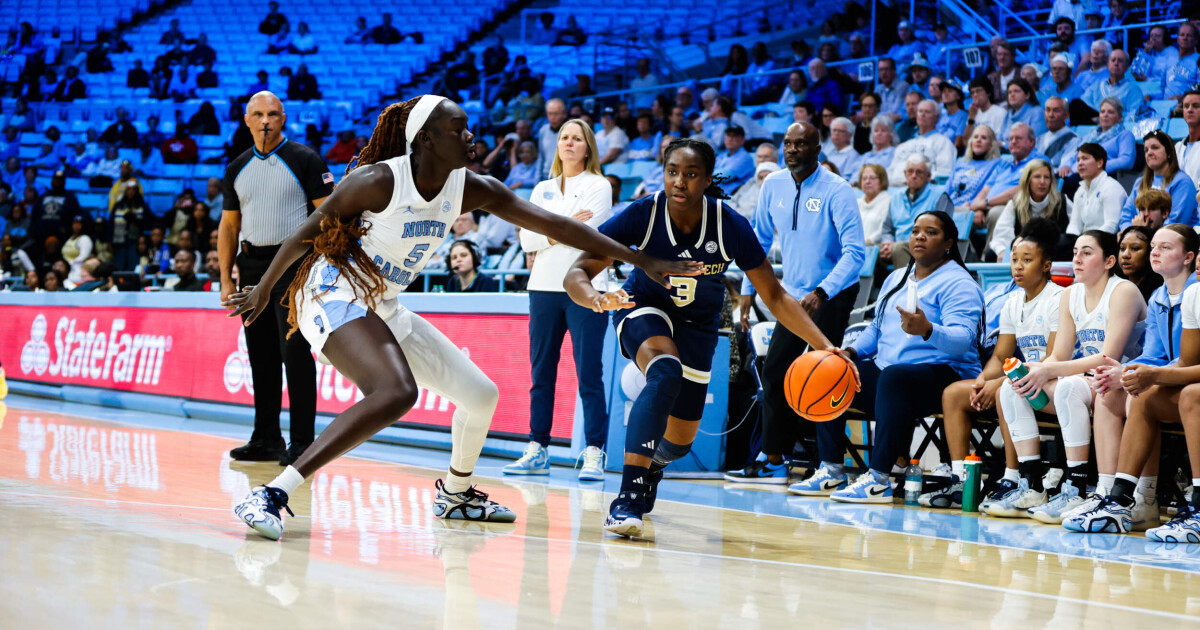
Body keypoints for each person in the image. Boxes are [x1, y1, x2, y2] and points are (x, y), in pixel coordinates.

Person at [227, 95, 695, 539]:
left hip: (382, 302)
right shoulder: (378, 180)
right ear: (427, 139)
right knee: (396, 391)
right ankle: (270, 494)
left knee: (480, 395)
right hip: (332, 291)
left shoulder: (470, 186)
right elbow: (305, 234)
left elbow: (556, 225)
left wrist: (640, 259)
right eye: (458, 129)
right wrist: (264, 289)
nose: (471, 135)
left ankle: (456, 494)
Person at [564, 137, 841, 535]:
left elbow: (776, 296)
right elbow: (576, 272)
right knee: (664, 371)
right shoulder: (643, 213)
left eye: (691, 174)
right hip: (644, 308)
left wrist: (824, 346)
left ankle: (654, 465)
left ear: (708, 179)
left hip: (698, 327)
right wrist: (595, 298)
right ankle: (627, 498)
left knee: (680, 442)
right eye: (672, 172)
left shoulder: (730, 225)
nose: (680, 182)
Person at [797, 211, 983, 502]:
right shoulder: (897, 277)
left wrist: (927, 329)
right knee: (831, 372)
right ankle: (831, 470)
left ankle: (879, 480)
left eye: (931, 232)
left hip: (947, 375)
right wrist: (849, 353)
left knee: (894, 377)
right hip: (895, 375)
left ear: (949, 243)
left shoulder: (960, 283)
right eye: (916, 231)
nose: (920, 237)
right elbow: (876, 327)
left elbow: (963, 340)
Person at [724, 123, 866, 486]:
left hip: (833, 292)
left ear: (817, 149)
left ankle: (830, 466)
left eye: (801, 144)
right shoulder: (772, 185)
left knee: (827, 373)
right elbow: (757, 243)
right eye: (787, 143)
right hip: (791, 295)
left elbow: (855, 253)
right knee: (774, 372)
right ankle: (774, 460)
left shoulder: (837, 189)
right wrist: (749, 290)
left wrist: (822, 291)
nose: (791, 149)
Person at [987, 230, 1147, 522]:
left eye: (1087, 253)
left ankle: (1076, 488)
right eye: (1075, 253)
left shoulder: (1122, 291)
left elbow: (1107, 357)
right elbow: (1058, 355)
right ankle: (1031, 484)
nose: (1077, 259)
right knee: (1013, 388)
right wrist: (1036, 371)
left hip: (1124, 381)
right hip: (1091, 381)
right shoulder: (1071, 294)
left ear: (1109, 261)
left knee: (1069, 387)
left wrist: (1048, 370)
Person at [218, 92, 330, 467]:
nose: (265, 120)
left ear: (283, 118)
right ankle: (266, 438)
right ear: (246, 120)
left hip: (294, 266)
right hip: (251, 266)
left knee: (294, 352)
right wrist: (226, 279)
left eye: (272, 114)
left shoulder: (305, 159)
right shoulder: (237, 167)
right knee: (260, 355)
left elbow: (329, 217)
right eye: (258, 114)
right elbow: (229, 226)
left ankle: (302, 442)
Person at [1066, 228, 1200, 539]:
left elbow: (1182, 363)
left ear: (1188, 257)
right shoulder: (1161, 297)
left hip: (1186, 384)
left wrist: (1146, 375)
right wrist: (1128, 372)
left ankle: (1188, 504)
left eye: (1165, 247)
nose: (1155, 252)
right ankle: (1121, 498)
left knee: (1178, 394)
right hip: (1179, 378)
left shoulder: (1191, 293)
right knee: (1127, 394)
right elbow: (1160, 356)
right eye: (1154, 246)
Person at [923, 220, 1062, 509]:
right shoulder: (1013, 302)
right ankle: (962, 480)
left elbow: (1052, 360)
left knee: (1005, 391)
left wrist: (998, 383)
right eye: (1014, 260)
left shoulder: (1058, 299)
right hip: (1021, 379)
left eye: (1027, 260)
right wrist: (983, 380)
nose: (1018, 267)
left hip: (1051, 381)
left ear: (1046, 265)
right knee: (954, 394)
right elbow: (1000, 357)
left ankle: (1013, 477)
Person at [506, 118, 615, 480]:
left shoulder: (599, 185)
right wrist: (562, 228)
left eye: (576, 138)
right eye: (564, 137)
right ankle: (538, 448)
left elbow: (588, 235)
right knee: (541, 374)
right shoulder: (541, 189)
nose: (569, 142)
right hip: (543, 288)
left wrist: (549, 229)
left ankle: (594, 451)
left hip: (587, 288)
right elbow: (526, 240)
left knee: (589, 375)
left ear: (587, 147)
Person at [880, 154, 953, 269]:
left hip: (925, 249)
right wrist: (888, 244)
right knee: (867, 250)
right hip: (897, 247)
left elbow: (941, 231)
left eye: (919, 172)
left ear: (928, 176)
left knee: (899, 248)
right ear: (905, 174)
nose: (914, 176)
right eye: (910, 171)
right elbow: (887, 229)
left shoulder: (940, 196)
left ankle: (907, 281)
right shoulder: (896, 197)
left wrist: (897, 246)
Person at [1119, 130, 1199, 230]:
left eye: (1155, 148)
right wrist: (1129, 232)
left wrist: (1141, 231)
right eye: (1146, 150)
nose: (1149, 153)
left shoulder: (1182, 182)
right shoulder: (1140, 183)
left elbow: (1175, 225)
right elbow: (1125, 217)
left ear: (1169, 153)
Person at [1058, 97, 1136, 178]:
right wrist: (1066, 166)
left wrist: (1096, 167)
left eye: (1110, 112)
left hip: (1098, 177)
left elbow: (1126, 161)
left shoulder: (1124, 135)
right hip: (1074, 173)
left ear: (1120, 117)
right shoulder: (1091, 136)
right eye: (1102, 112)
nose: (1105, 115)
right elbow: (1074, 155)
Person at [1067, 143, 1128, 236]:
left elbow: (1111, 226)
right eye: (1078, 160)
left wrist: (1088, 240)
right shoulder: (1080, 191)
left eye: (1085, 158)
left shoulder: (1111, 187)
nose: (1080, 163)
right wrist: (1070, 238)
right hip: (1086, 239)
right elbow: (1074, 225)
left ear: (1100, 163)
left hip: (1106, 240)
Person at [889, 99, 956, 183]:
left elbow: (944, 174)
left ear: (937, 117)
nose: (923, 115)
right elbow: (890, 173)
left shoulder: (943, 143)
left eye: (927, 112)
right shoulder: (905, 145)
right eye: (920, 111)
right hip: (897, 187)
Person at [1072, 50, 1142, 124]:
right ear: (1108, 65)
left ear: (1127, 67)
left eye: (1120, 61)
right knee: (1075, 104)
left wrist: (1112, 117)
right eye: (1113, 60)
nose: (1116, 63)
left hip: (1117, 125)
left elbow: (1134, 116)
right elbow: (1083, 104)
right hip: (1094, 123)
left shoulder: (1133, 90)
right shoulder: (1096, 86)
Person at [948, 125, 1003, 214]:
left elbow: (990, 191)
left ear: (991, 145)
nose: (978, 140)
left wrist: (974, 205)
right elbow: (947, 190)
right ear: (971, 142)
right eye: (975, 137)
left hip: (970, 209)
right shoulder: (961, 161)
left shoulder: (996, 164)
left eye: (984, 138)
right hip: (950, 207)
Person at [1119, 225, 1164, 303]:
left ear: (1151, 252)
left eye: (1135, 248)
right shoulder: (1113, 286)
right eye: (1122, 248)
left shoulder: (1159, 293)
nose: (1125, 255)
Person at [961, 78, 1007, 153]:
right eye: (972, 92)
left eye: (978, 91)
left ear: (988, 93)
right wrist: (971, 117)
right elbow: (966, 141)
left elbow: (999, 140)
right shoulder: (973, 113)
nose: (975, 95)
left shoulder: (1000, 112)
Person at [849, 116, 898, 184]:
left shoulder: (895, 154)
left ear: (891, 135)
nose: (879, 134)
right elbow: (853, 176)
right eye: (876, 131)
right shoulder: (865, 156)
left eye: (883, 130)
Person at [1037, 97, 1079, 171]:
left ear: (1066, 116)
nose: (1050, 115)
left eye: (1056, 111)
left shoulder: (1073, 140)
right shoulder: (1039, 139)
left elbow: (1063, 170)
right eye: (1048, 110)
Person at [856, 164, 891, 246]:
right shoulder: (857, 202)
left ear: (881, 181)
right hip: (857, 246)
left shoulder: (888, 201)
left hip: (876, 247)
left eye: (872, 178)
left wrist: (867, 242)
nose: (867, 181)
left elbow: (884, 230)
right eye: (864, 178)